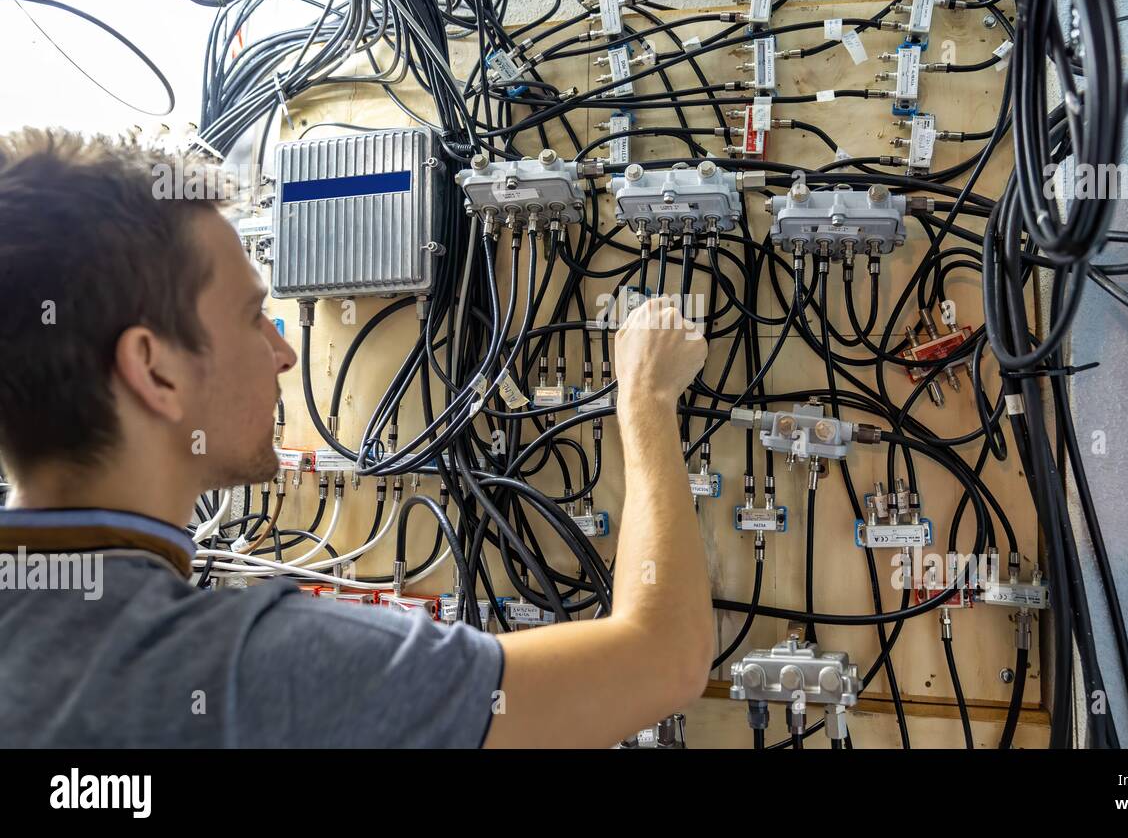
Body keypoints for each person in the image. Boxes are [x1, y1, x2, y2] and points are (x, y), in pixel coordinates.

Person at [0, 128, 713, 748]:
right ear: (154, 370)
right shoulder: (267, 673)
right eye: (254, 316)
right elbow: (661, 662)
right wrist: (647, 399)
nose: (282, 355)